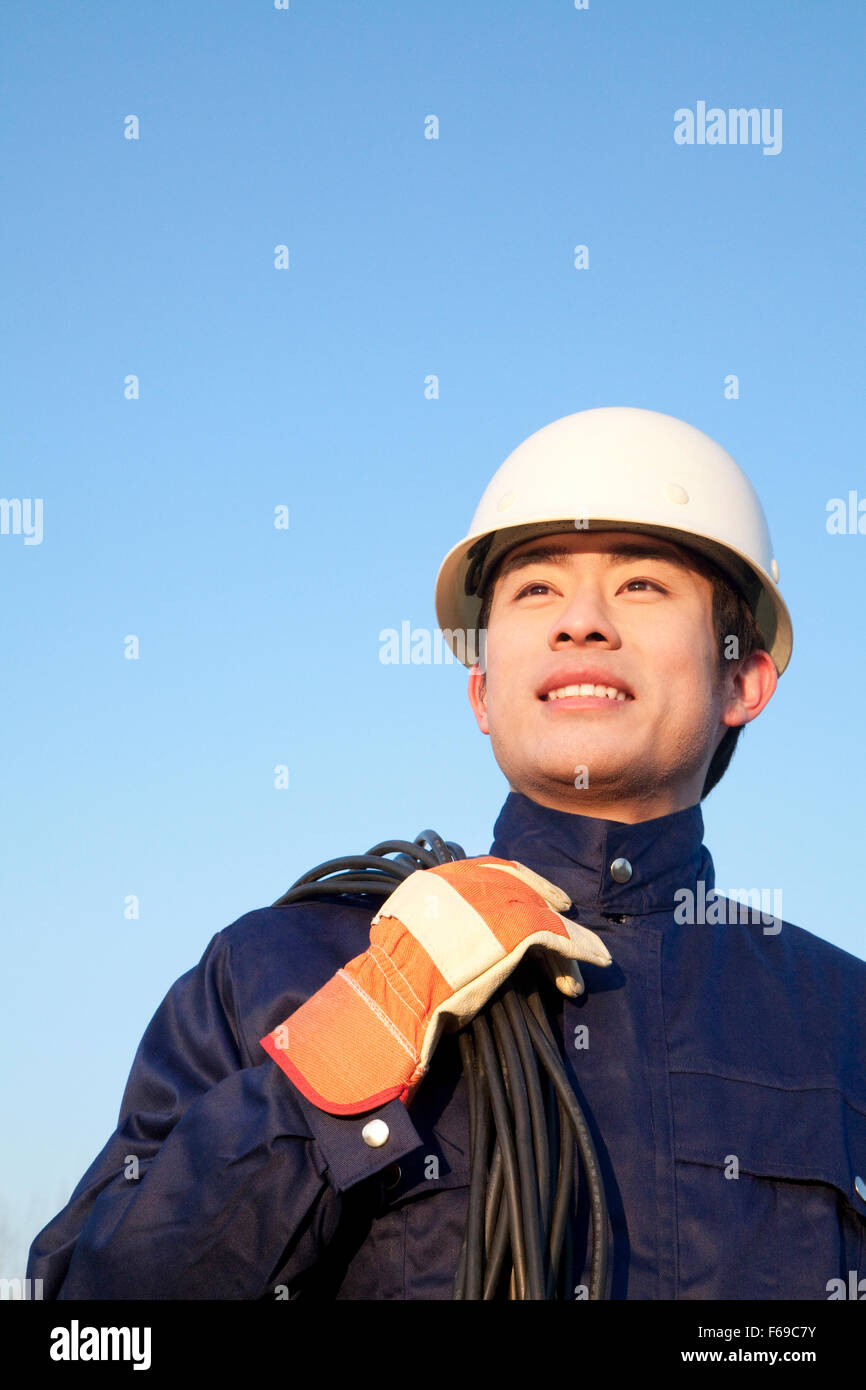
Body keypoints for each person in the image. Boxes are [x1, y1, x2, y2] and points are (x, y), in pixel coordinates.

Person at [27, 406, 866, 1300]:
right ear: (481, 690)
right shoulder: (278, 970)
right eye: (536, 590)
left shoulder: (844, 1021)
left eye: (642, 586)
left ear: (745, 677)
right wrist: (344, 1058)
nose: (581, 622)